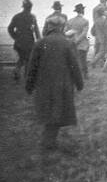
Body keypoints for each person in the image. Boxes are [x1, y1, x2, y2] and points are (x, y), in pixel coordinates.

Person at [25, 13, 83, 150]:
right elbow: (74, 65)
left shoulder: (40, 43)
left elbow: (32, 66)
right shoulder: (68, 43)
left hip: (43, 84)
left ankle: (48, 141)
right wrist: (79, 83)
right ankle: (48, 142)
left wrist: (29, 85)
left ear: (49, 26)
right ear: (62, 27)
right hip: (62, 84)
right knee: (57, 112)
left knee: (49, 111)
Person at [8, 0, 40, 84]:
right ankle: (26, 77)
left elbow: (10, 28)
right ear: (30, 7)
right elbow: (36, 31)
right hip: (29, 42)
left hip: (19, 43)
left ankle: (17, 70)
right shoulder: (32, 17)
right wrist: (39, 40)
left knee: (22, 58)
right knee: (28, 60)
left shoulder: (17, 16)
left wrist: (16, 37)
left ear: (23, 7)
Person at [65, 4, 90, 78]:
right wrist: (78, 41)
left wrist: (72, 39)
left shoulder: (70, 21)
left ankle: (73, 75)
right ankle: (85, 74)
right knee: (83, 60)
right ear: (82, 11)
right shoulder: (85, 21)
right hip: (82, 44)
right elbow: (84, 34)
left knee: (74, 60)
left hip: (71, 43)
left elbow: (65, 32)